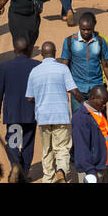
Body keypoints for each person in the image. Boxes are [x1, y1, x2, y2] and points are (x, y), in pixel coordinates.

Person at [25, 41, 81, 182]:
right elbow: (73, 90)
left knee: (47, 150)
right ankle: (61, 170)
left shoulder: (35, 71)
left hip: (43, 117)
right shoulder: (63, 69)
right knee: (62, 147)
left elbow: (30, 98)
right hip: (61, 115)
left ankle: (48, 178)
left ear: (42, 55)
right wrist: (85, 103)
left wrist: (41, 101)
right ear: (55, 53)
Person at [0, 36, 38, 181]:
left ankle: (16, 164)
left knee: (13, 142)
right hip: (31, 112)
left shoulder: (5, 67)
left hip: (13, 113)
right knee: (28, 143)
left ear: (14, 50)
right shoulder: (36, 65)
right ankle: (23, 173)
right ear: (29, 50)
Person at [62, 12, 108, 106]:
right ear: (79, 26)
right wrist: (67, 89)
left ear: (94, 25)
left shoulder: (100, 42)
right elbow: (64, 67)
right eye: (83, 29)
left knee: (98, 119)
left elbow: (106, 66)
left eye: (89, 29)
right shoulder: (70, 41)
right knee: (79, 119)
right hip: (77, 89)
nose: (86, 32)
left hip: (97, 89)